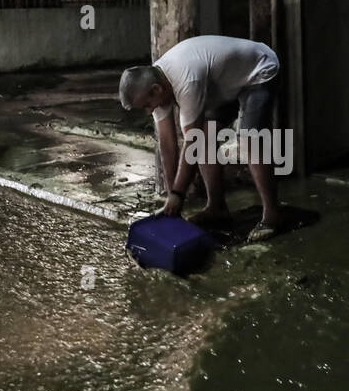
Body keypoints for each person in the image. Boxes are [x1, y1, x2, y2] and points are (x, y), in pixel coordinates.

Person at [119, 35, 283, 242]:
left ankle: (272, 215)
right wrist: (173, 196)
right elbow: (167, 144)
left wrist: (178, 195)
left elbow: (192, 145)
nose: (148, 111)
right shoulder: (157, 83)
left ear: (156, 90)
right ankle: (217, 208)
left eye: (146, 106)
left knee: (249, 141)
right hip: (226, 82)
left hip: (259, 70)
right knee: (206, 136)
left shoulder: (185, 79)